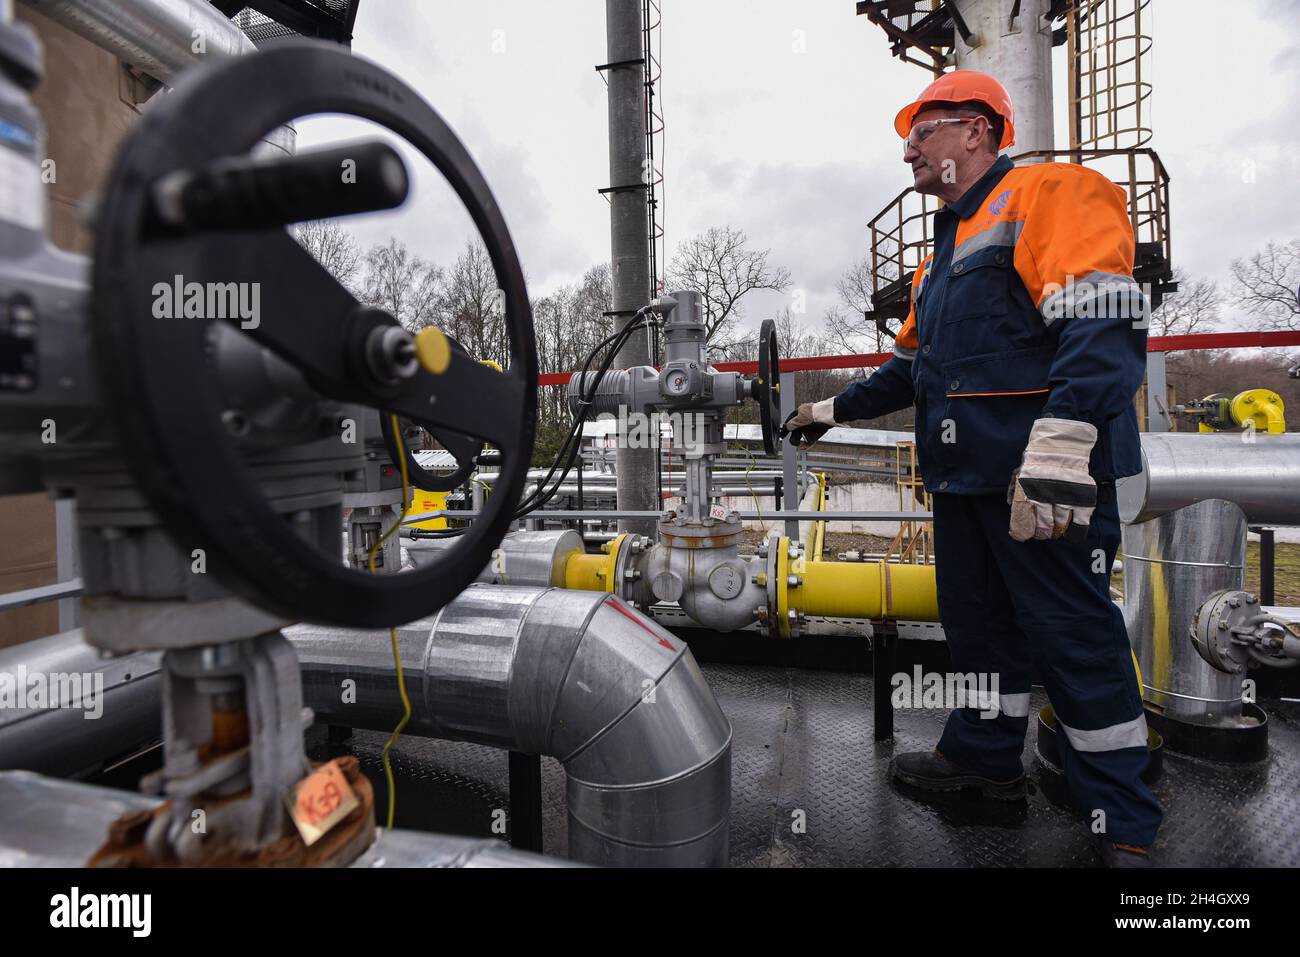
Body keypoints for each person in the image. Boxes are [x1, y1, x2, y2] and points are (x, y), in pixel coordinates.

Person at [781, 70, 1161, 867]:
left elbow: (1103, 316)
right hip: (964, 483)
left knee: (1073, 637)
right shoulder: (944, 252)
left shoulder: (1054, 192)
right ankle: (986, 760)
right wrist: (829, 411)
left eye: (923, 131)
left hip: (1043, 478)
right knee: (978, 632)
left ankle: (1123, 820)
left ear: (977, 132)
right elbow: (907, 370)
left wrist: (1060, 447)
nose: (910, 149)